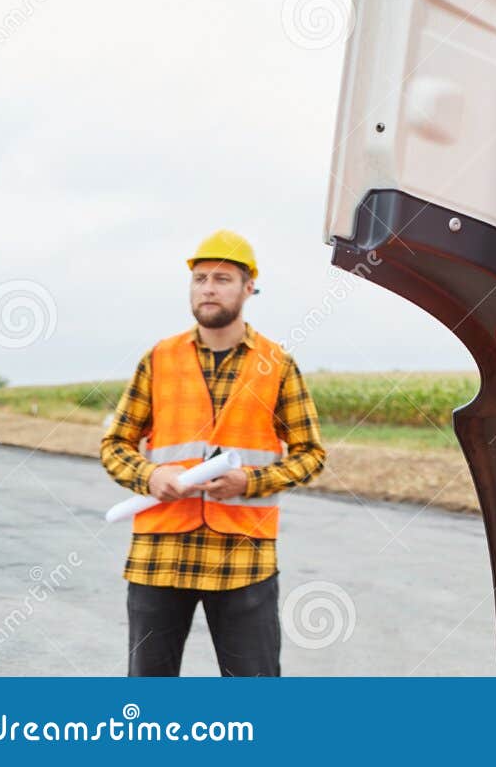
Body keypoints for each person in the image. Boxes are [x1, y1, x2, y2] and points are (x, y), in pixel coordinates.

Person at [100, 230, 326, 676]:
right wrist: (150, 477)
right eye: (200, 277)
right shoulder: (158, 359)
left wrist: (251, 481)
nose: (208, 287)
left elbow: (310, 454)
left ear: (248, 288)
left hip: (243, 557)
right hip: (160, 554)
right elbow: (115, 445)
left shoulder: (276, 364)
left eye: (222, 278)